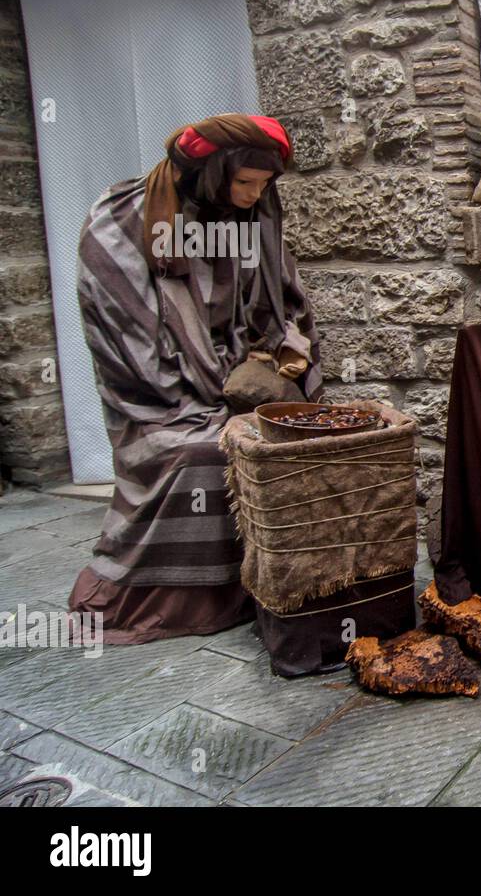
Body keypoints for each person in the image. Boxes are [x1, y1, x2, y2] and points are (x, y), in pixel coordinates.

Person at [69, 113, 321, 643]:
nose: (255, 196)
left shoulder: (244, 218)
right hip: (157, 395)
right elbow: (129, 337)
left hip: (228, 376)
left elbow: (278, 305)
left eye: (265, 185)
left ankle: (278, 581)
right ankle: (192, 599)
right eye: (244, 182)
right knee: (205, 451)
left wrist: (272, 362)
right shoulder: (121, 221)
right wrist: (215, 395)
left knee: (290, 435)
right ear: (208, 173)